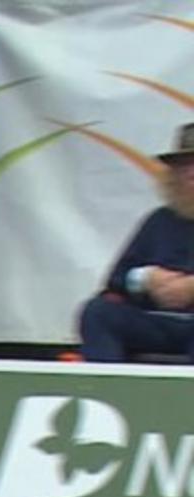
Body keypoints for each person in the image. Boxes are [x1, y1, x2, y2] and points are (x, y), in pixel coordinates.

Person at [79, 121, 194, 363]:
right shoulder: (159, 221)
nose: (191, 174)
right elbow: (116, 281)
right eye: (184, 166)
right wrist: (146, 278)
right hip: (155, 319)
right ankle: (107, 394)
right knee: (98, 313)